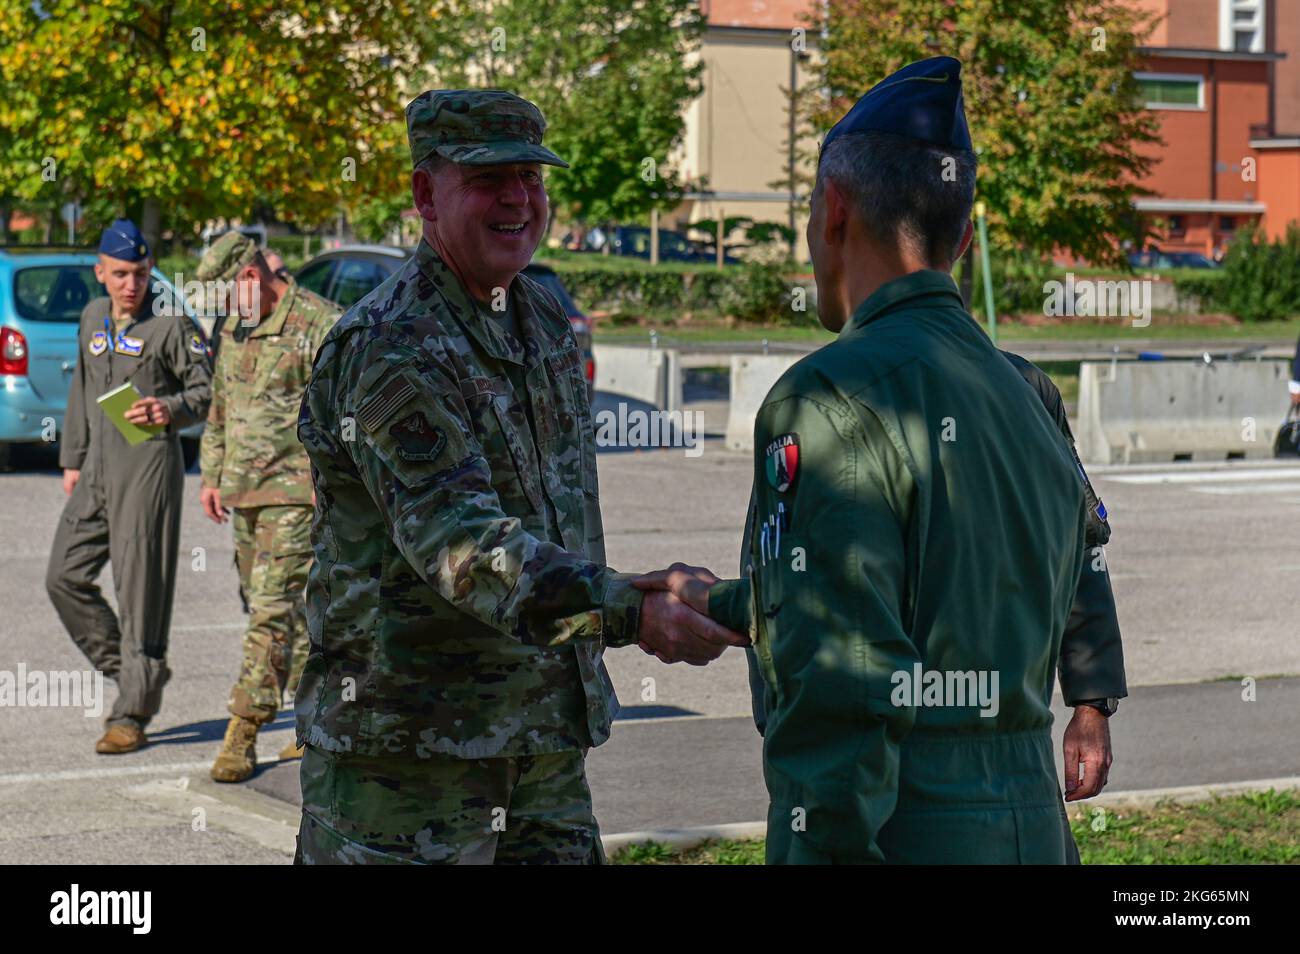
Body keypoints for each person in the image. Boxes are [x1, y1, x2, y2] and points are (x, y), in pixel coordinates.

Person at [637, 57, 1089, 864]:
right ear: (962, 234)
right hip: (1032, 830)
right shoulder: (1022, 392)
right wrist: (740, 602)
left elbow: (843, 696)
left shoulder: (831, 398)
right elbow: (942, 601)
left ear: (834, 210)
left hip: (906, 831)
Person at [293, 89, 745, 864]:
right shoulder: (388, 347)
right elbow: (463, 548)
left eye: (531, 176)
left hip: (539, 745)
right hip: (406, 764)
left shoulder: (540, 320)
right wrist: (631, 611)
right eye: (487, 177)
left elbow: (552, 525)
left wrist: (637, 599)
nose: (518, 197)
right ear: (424, 194)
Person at [46, 218, 212, 754]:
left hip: (148, 465)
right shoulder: (93, 316)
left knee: (141, 593)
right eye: (120, 274)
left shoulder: (171, 322)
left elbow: (207, 391)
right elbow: (83, 388)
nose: (131, 284)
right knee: (63, 577)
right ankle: (133, 672)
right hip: (97, 466)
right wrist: (72, 457)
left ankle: (131, 713)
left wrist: (169, 408)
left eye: (140, 273)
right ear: (100, 272)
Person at [196, 232, 341, 782]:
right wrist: (212, 474)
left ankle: (244, 730)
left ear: (252, 278)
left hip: (296, 498)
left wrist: (329, 486)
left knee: (269, 613)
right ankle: (315, 726)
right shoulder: (237, 325)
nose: (223, 312)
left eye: (228, 296)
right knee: (289, 616)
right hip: (243, 496)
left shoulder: (318, 325)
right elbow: (220, 405)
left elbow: (345, 417)